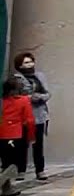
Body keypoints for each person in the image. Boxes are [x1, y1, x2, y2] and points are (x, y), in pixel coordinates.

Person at [11, 52, 49, 181]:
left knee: (38, 144)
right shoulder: (17, 78)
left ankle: (40, 170)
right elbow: (18, 95)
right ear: (20, 66)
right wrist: (31, 97)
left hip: (39, 115)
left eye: (31, 61)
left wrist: (39, 97)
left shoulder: (40, 76)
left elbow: (47, 93)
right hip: (24, 115)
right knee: (22, 144)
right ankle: (21, 170)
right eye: (26, 63)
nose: (30, 64)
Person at [0, 76, 35, 196]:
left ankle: (7, 189)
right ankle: (1, 181)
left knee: (5, 162)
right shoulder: (23, 100)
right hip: (16, 134)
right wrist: (31, 136)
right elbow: (29, 120)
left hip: (2, 133)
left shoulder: (2, 101)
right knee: (14, 164)